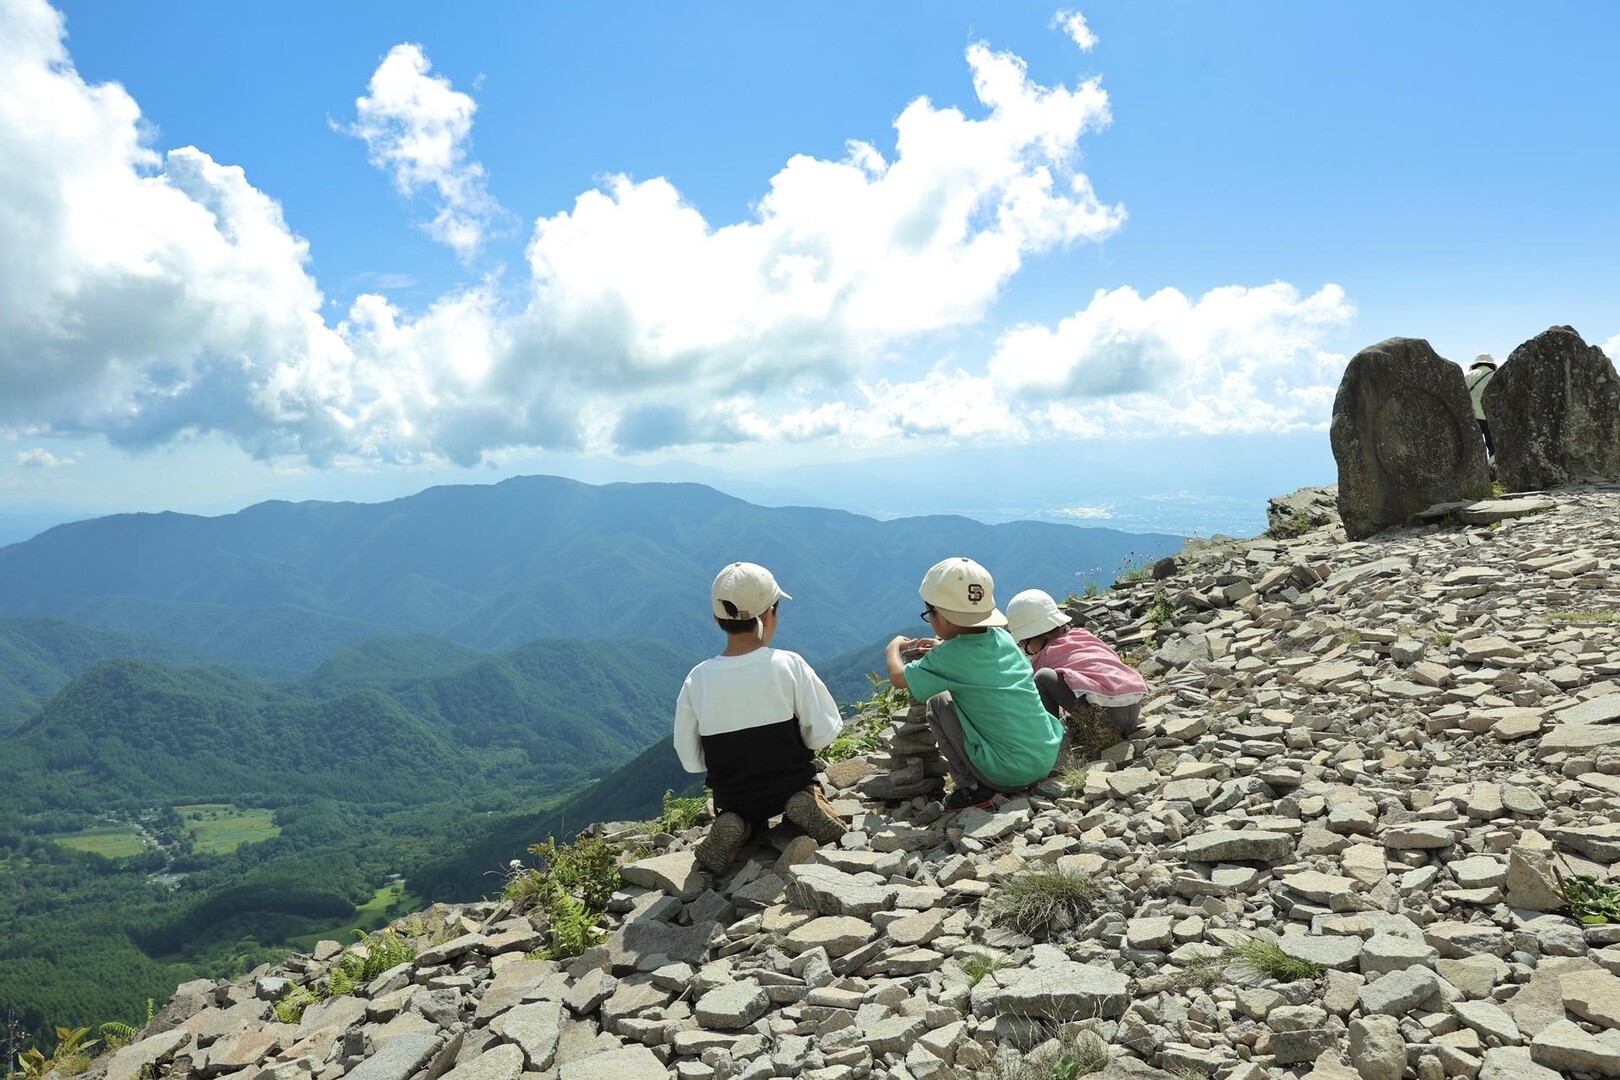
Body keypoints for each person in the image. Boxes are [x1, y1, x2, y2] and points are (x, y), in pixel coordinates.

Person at [674, 561, 847, 874]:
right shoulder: (789, 665)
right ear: (770, 614)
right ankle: (807, 804)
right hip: (790, 782)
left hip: (734, 794)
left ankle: (739, 826)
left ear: (716, 618)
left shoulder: (697, 680)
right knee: (804, 790)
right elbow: (823, 731)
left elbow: (690, 759)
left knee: (739, 813)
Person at [884, 557, 1063, 811]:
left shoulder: (949, 657)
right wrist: (942, 649)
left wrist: (893, 648)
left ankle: (972, 789)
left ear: (943, 617)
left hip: (1009, 774)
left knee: (938, 702)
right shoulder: (1003, 636)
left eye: (929, 613)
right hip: (1045, 756)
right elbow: (972, 658)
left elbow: (899, 679)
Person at [1006, 589, 1148, 735]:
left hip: (1110, 717)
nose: (1026, 649)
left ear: (1034, 637)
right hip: (1134, 705)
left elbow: (1027, 688)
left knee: (1042, 678)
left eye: (1025, 644)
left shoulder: (1045, 655)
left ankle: (1049, 735)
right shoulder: (1082, 635)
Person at [1465, 354, 1498, 457]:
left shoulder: (1469, 376)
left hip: (1472, 416)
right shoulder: (1495, 376)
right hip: (1490, 416)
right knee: (1493, 446)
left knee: (1473, 446)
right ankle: (1493, 468)